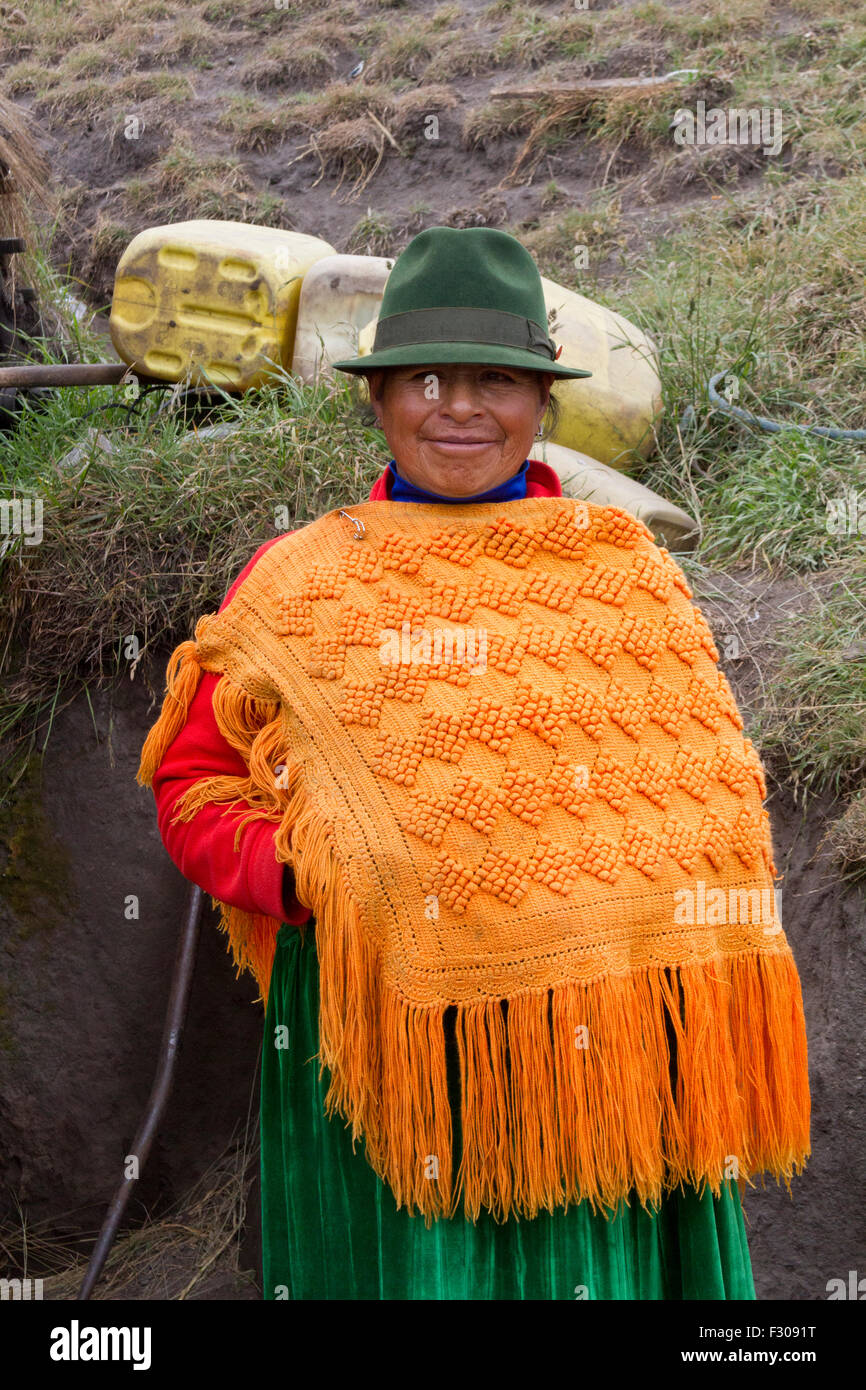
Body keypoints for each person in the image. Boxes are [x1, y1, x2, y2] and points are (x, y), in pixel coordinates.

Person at [138, 226, 810, 1300]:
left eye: (493, 381)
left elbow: (698, 809)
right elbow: (195, 784)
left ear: (541, 403)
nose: (458, 408)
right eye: (425, 381)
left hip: (610, 1051)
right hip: (388, 1053)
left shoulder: (618, 573)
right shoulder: (299, 581)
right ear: (378, 398)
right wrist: (306, 876)